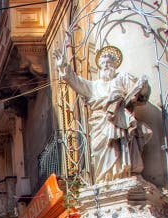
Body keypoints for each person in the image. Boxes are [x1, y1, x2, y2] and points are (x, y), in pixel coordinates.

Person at [53, 45, 151, 183]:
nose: (106, 66)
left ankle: (122, 174)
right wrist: (63, 66)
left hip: (119, 121)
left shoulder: (122, 78)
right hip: (100, 125)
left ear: (114, 65)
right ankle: (106, 178)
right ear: (99, 67)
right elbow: (75, 81)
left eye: (109, 63)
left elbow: (139, 93)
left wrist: (143, 86)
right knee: (100, 152)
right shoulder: (95, 86)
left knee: (121, 147)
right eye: (103, 63)